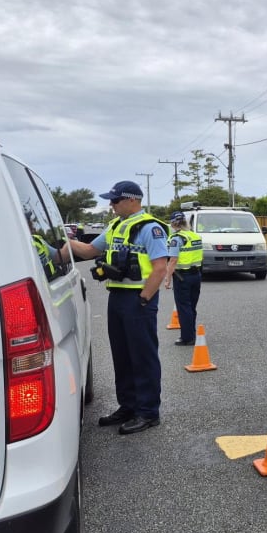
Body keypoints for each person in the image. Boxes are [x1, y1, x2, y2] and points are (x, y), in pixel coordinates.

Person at [64, 180, 169, 435]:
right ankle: (128, 406)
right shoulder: (116, 226)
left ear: (132, 200)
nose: (111, 205)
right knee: (122, 355)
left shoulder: (150, 228)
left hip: (138, 299)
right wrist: (58, 243)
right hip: (118, 297)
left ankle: (147, 412)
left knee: (142, 356)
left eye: (115, 200)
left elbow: (160, 267)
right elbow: (88, 251)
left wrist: (144, 299)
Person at [164, 210, 203, 346]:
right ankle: (191, 332)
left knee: (183, 307)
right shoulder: (194, 236)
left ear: (174, 224)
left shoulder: (176, 238)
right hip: (196, 275)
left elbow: (173, 260)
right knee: (191, 306)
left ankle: (187, 337)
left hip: (182, 277)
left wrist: (168, 278)